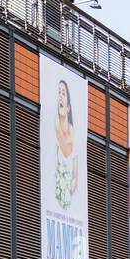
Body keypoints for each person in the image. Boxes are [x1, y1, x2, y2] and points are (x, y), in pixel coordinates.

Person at [53, 79, 79, 209]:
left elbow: (76, 176)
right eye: (58, 92)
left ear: (68, 107)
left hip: (69, 202)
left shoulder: (74, 138)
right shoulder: (54, 128)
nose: (60, 96)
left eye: (63, 93)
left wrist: (69, 189)